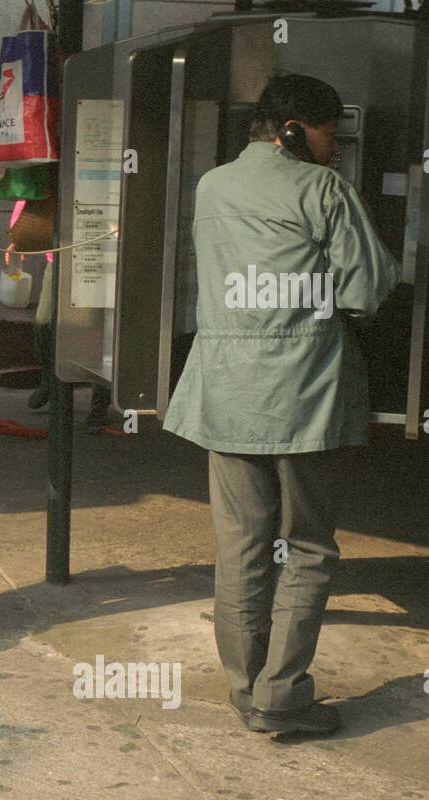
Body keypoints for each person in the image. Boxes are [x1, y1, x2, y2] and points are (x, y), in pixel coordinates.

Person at [163, 74, 399, 736]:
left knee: (241, 547)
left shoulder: (212, 186)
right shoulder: (323, 189)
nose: (336, 149)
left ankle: (247, 687)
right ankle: (283, 694)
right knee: (310, 548)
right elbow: (367, 290)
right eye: (331, 134)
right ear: (295, 129)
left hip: (226, 395)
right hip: (304, 398)